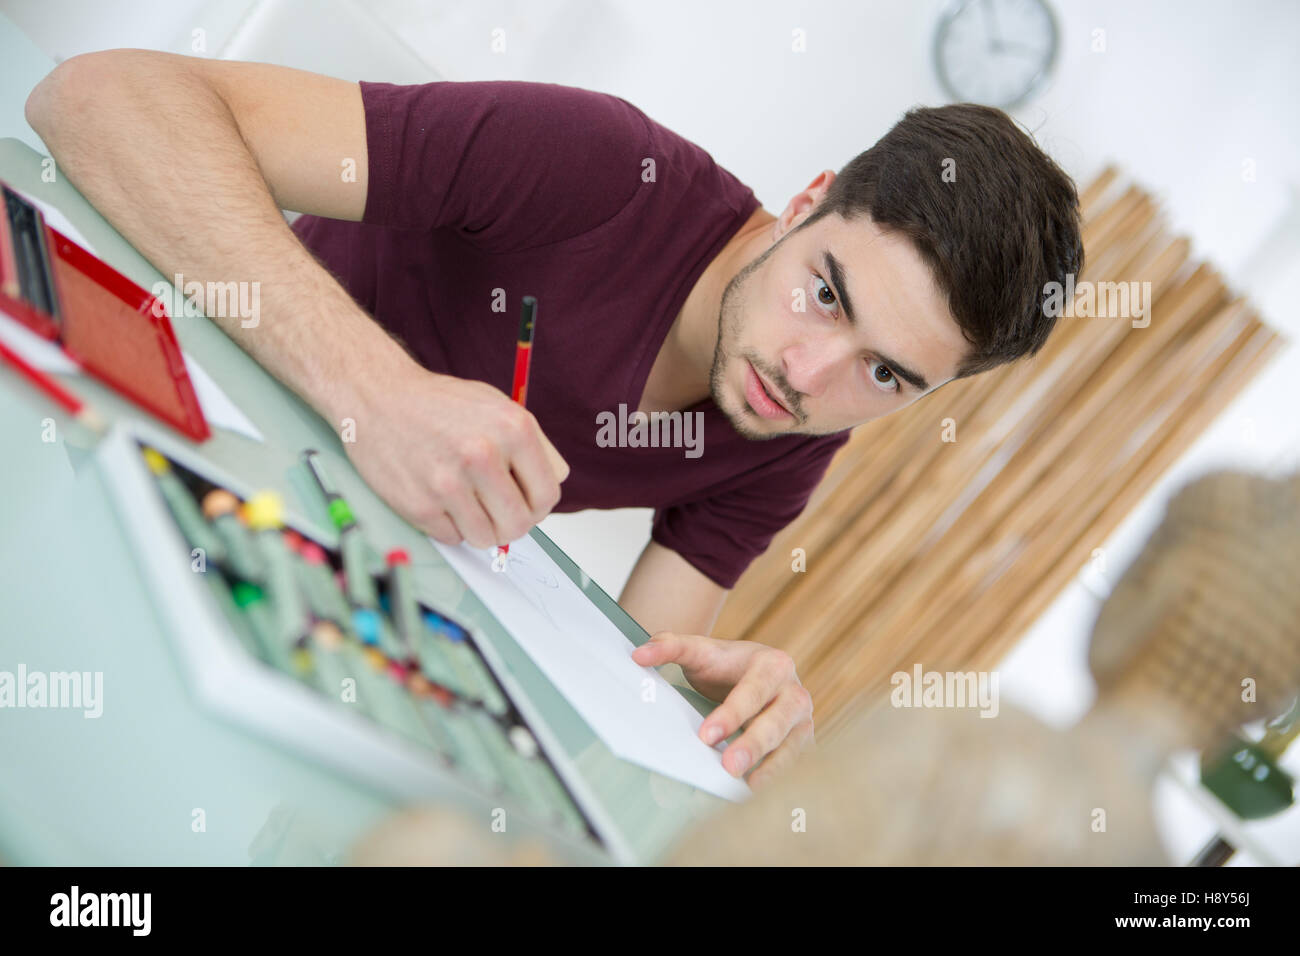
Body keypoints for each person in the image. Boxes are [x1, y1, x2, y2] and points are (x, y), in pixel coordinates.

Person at [25, 52, 1083, 784]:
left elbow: (628, 680)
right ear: (806, 200)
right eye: (826, 291)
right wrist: (376, 396)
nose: (811, 375)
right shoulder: (594, 168)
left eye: (887, 374)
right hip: (134, 427)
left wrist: (729, 718)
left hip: (303, 586)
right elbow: (98, 96)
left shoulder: (789, 437)